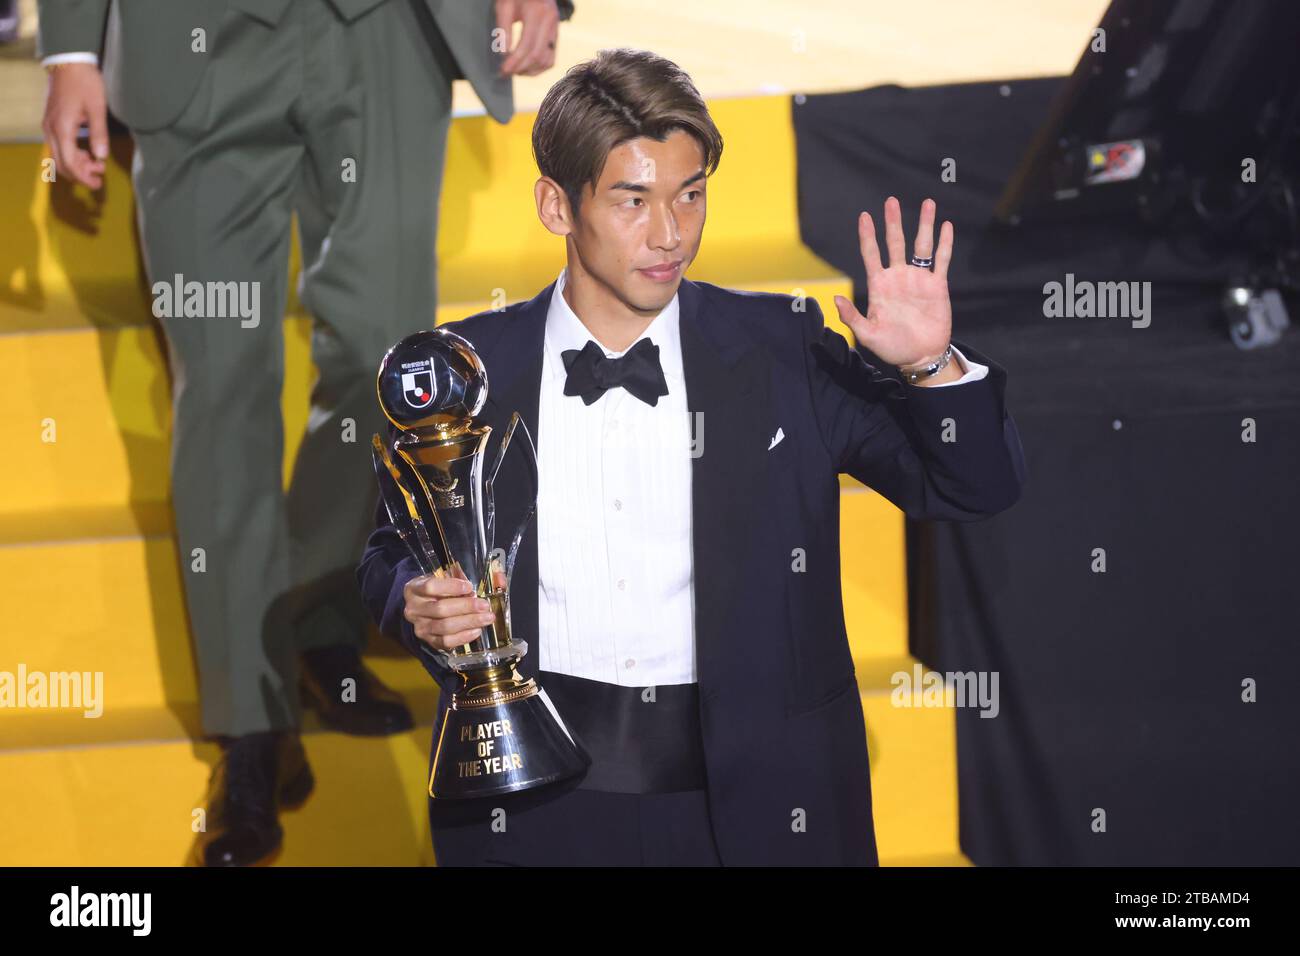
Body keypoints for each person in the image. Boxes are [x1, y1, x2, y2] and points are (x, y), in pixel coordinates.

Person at [357, 47, 1026, 866]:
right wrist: (413, 599)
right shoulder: (465, 371)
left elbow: (971, 487)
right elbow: (390, 550)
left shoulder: (783, 349)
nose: (670, 234)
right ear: (556, 205)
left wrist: (929, 364)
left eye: (691, 195)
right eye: (632, 201)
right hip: (530, 807)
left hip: (764, 805)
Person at [37, 0, 574, 866]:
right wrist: (69, 44)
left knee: (386, 363)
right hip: (189, 36)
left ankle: (325, 610)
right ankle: (252, 723)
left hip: (382, 30)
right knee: (218, 386)